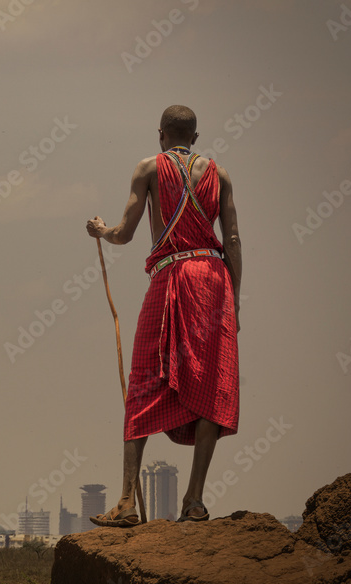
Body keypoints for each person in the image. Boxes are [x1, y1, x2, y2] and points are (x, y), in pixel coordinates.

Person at [86, 105, 241, 525]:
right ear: (194, 136)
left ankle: (126, 503)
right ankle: (194, 501)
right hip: (213, 280)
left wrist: (101, 230)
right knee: (212, 384)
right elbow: (233, 239)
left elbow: (125, 233)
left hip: (172, 274)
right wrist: (236, 301)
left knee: (143, 379)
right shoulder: (220, 175)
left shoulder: (148, 168)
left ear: (160, 134)